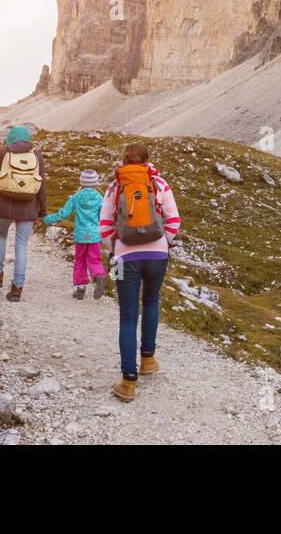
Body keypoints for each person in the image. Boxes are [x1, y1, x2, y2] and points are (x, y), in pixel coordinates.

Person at [99, 142, 180, 402]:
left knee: (127, 316)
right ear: (148, 160)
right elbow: (174, 221)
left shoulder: (115, 186)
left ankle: (127, 382)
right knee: (152, 301)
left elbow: (104, 226)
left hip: (125, 258)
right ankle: (147, 360)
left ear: (123, 160)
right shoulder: (159, 184)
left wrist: (116, 248)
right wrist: (162, 242)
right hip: (157, 255)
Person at [0, 124, 47, 302]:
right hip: (28, 207)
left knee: (1, 237)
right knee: (21, 246)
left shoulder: (4, 152)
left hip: (4, 206)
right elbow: (41, 185)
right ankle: (17, 288)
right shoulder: (36, 154)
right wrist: (43, 211)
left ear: (10, 138)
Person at [42, 169, 108, 300]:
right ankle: (99, 275)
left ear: (81, 183)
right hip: (95, 235)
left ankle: (80, 289)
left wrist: (47, 219)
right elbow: (105, 215)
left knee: (80, 260)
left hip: (81, 236)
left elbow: (64, 214)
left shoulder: (75, 198)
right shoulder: (100, 198)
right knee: (94, 259)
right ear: (96, 184)